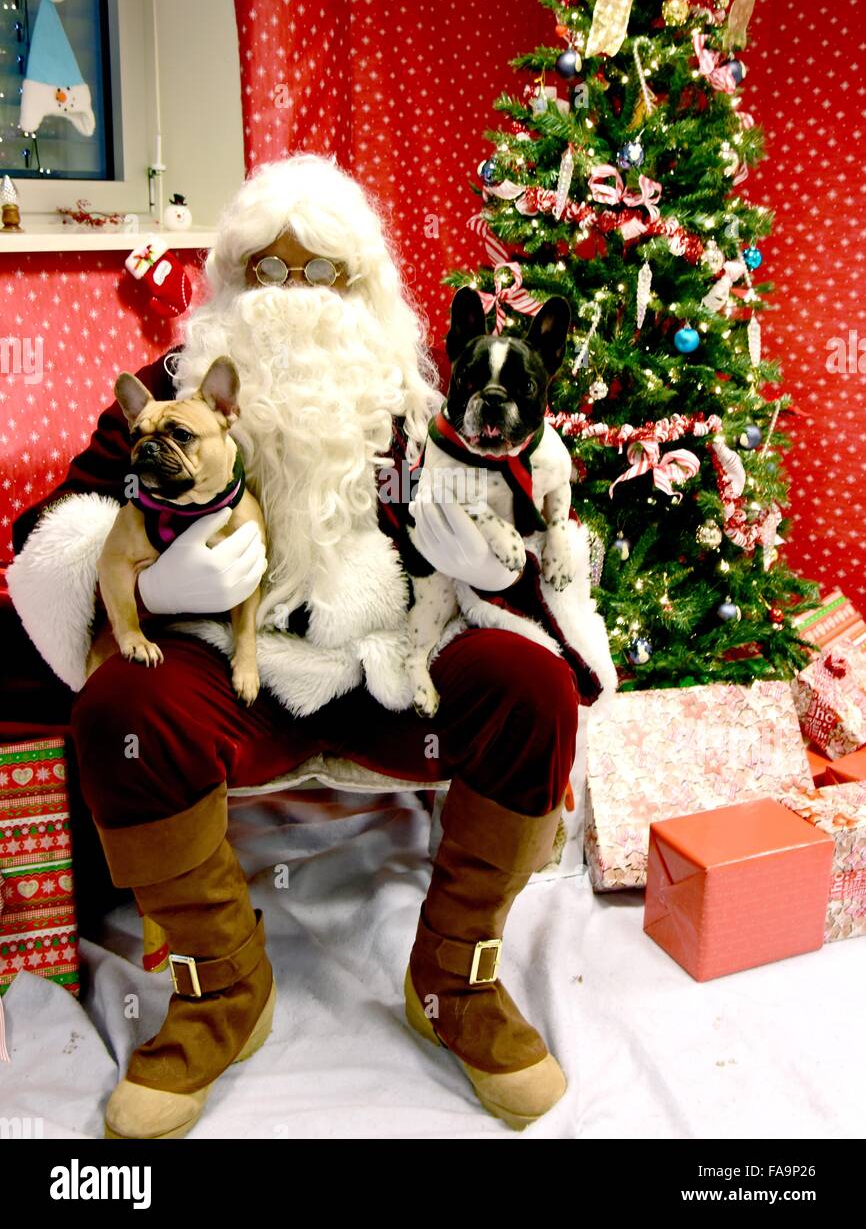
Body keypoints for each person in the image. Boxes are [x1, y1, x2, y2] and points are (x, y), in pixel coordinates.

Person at [8, 153, 616, 1139]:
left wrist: (499, 571)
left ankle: (454, 977)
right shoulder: (179, 387)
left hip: (396, 657)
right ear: (233, 279)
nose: (292, 298)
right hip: (228, 662)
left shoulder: (423, 399)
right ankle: (219, 992)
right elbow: (61, 519)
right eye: (268, 272)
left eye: (317, 272)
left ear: (361, 281)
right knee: (121, 705)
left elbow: (536, 530)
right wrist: (152, 579)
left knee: (529, 683)